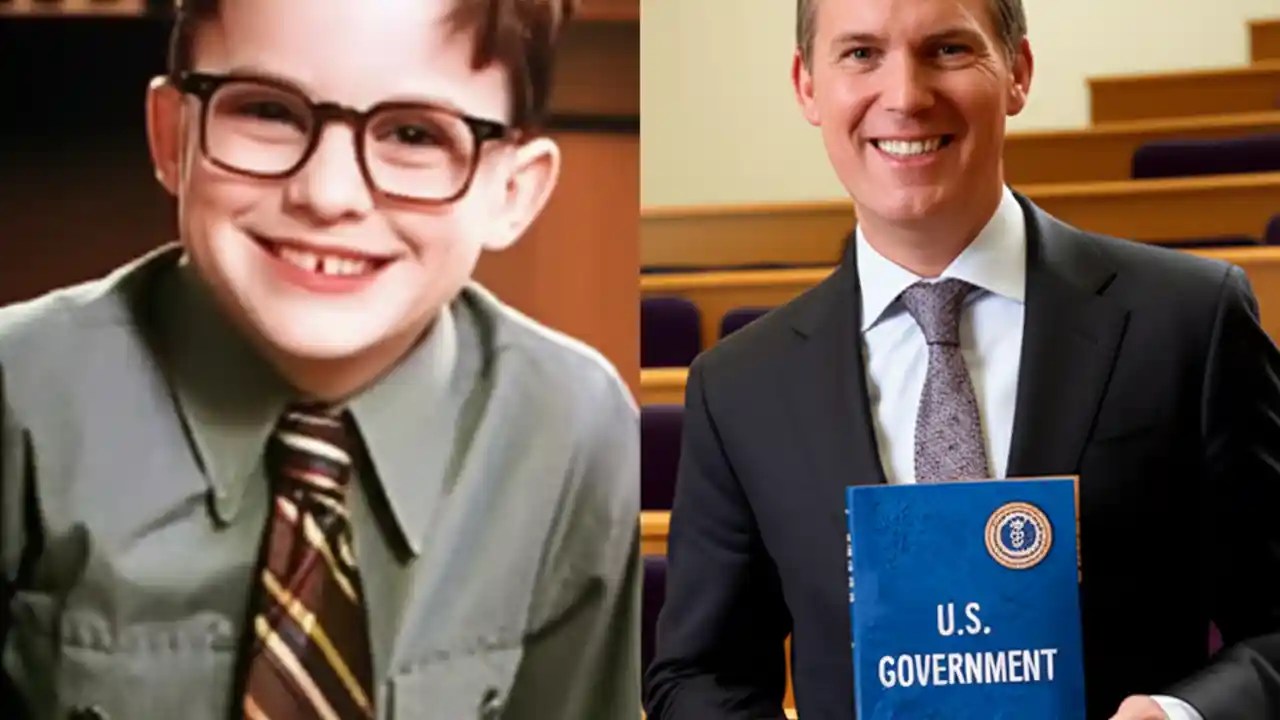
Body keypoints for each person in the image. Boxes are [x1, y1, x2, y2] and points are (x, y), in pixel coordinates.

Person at [0, 0, 639, 717]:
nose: (327, 195)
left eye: (414, 133)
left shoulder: (573, 431)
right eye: (268, 112)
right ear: (173, 134)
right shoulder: (20, 397)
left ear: (512, 192)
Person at [643, 0, 1280, 718]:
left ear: (1018, 71)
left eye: (947, 49)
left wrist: (1179, 717)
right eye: (861, 54)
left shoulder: (1189, 320)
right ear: (807, 86)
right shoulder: (739, 387)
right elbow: (698, 677)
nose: (906, 96)